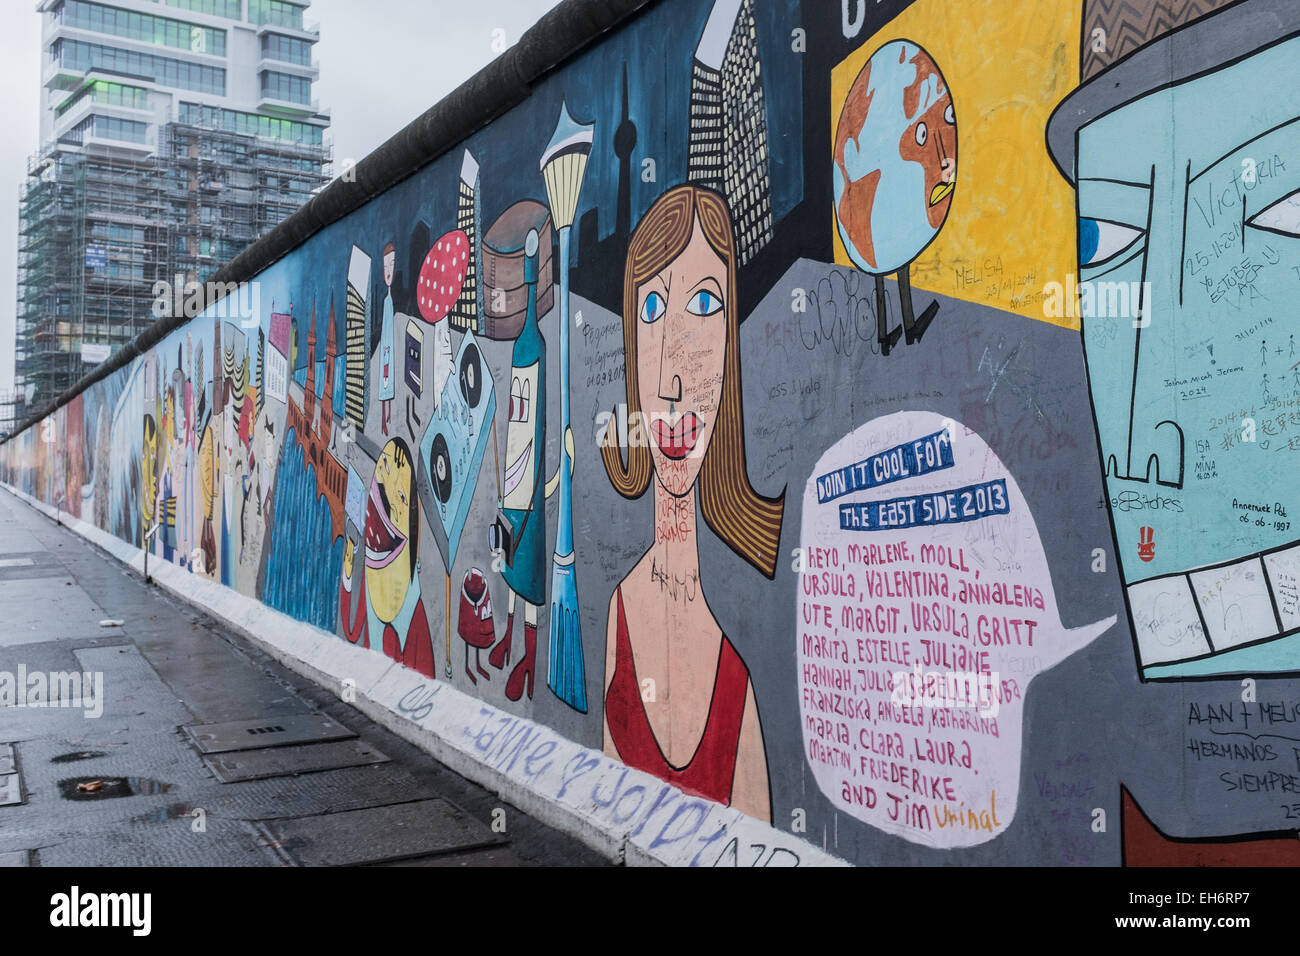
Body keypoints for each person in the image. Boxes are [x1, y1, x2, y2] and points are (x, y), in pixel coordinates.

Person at [599, 184, 784, 821]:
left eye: (705, 303)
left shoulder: (743, 667)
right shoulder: (619, 613)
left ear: (732, 344)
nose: (673, 378)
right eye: (652, 307)